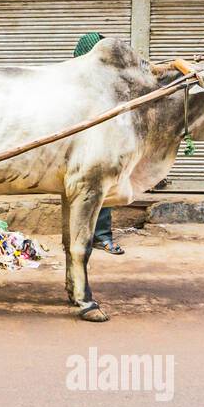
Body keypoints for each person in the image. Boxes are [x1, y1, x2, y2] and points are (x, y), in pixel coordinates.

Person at [73, 32, 124, 255]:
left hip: (103, 141)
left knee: (102, 189)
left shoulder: (113, 79)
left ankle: (101, 235)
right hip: (77, 145)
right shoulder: (72, 77)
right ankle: (82, 237)